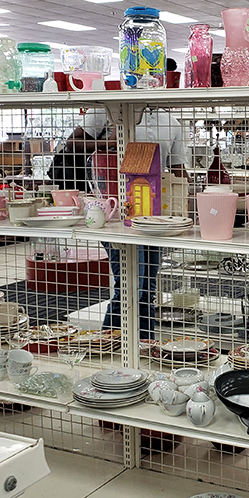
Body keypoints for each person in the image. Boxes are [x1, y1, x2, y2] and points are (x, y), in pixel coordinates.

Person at [77, 107, 189, 337]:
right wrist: (110, 142)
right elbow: (73, 145)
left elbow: (178, 170)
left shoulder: (171, 122)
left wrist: (192, 202)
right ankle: (109, 347)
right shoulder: (109, 110)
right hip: (115, 213)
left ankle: (145, 348)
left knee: (147, 288)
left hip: (155, 218)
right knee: (128, 287)